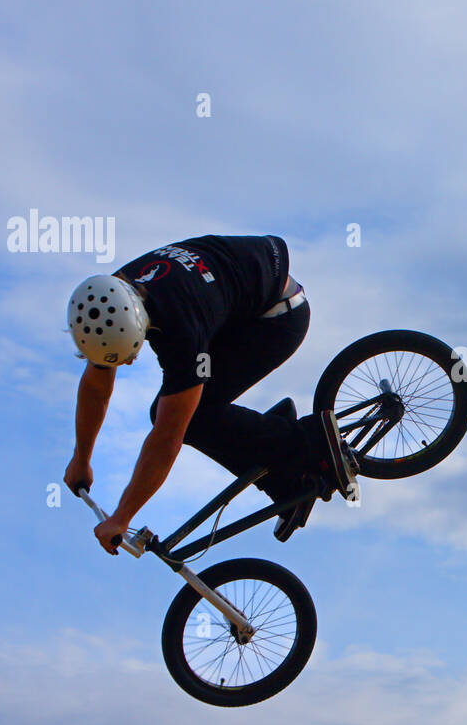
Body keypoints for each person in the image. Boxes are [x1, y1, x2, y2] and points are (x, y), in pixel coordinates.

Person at [61, 234, 355, 554]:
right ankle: (285, 477)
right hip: (237, 296)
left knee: (191, 418)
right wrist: (81, 458)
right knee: (173, 412)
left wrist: (122, 517)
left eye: (128, 354)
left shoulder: (182, 333)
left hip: (277, 318)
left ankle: (309, 441)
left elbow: (167, 438)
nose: (130, 362)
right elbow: (95, 389)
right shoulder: (108, 298)